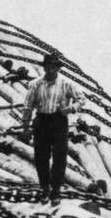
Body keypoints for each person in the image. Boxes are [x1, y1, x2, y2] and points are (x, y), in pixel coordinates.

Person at [21, 51, 79, 196]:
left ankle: (56, 187)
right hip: (41, 121)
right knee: (41, 156)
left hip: (59, 121)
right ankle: (44, 186)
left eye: (54, 67)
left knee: (60, 155)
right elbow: (28, 106)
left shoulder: (66, 84)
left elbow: (81, 99)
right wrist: (26, 127)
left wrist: (71, 108)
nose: (51, 70)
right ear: (44, 67)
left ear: (58, 68)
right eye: (48, 66)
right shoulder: (35, 84)